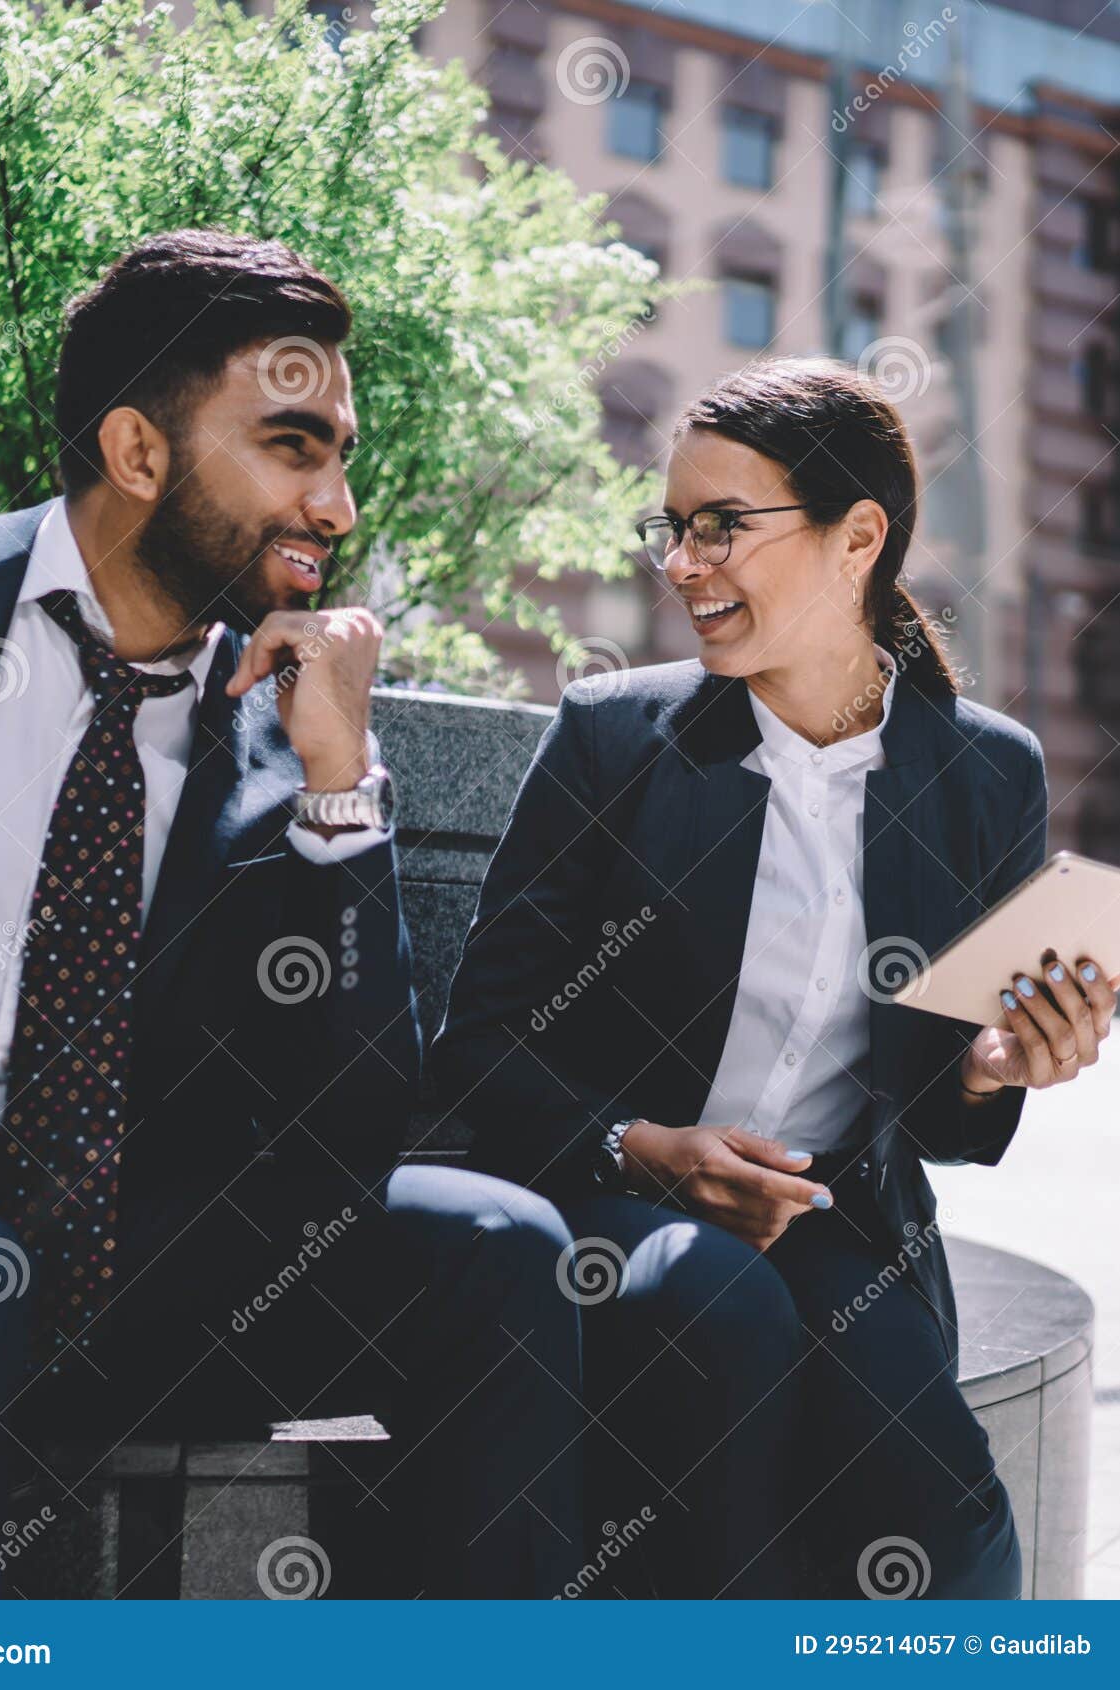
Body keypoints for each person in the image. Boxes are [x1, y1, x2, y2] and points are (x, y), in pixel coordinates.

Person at [0, 229, 582, 1599]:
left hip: (142, 1265)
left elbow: (352, 1129)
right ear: (139, 452)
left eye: (340, 457)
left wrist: (340, 784)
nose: (334, 506)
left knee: (503, 1247)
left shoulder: (280, 732)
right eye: (292, 446)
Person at [432, 355, 1115, 1599]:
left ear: (859, 538)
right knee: (719, 1325)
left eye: (721, 528)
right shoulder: (612, 739)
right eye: (673, 528)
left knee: (945, 1515)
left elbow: (951, 1119)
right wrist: (642, 1148)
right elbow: (477, 1044)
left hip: (838, 1225)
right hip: (610, 1203)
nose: (682, 563)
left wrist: (992, 1061)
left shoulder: (984, 775)